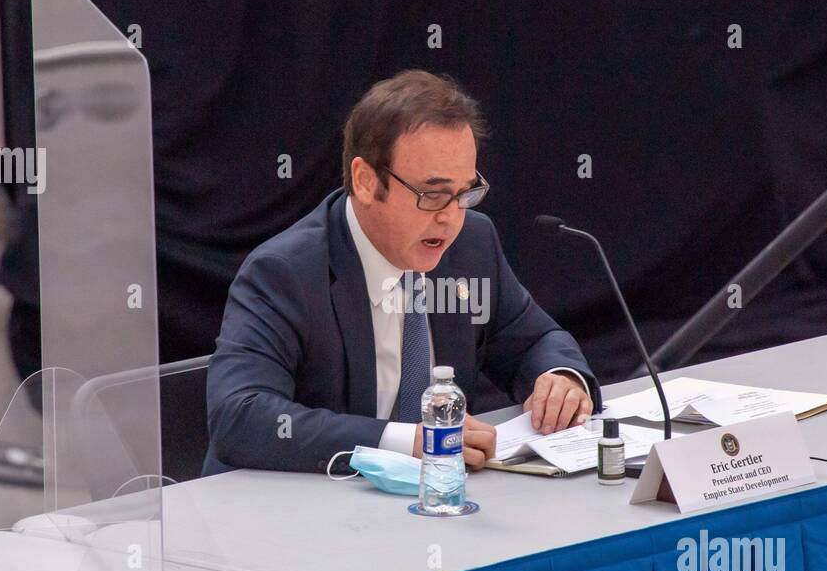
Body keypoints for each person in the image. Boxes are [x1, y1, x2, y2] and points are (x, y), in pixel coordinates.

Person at [203, 69, 600, 475]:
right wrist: (405, 442)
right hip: (293, 514)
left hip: (432, 510)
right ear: (365, 181)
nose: (451, 218)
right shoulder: (285, 273)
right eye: (432, 194)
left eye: (465, 192)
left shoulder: (472, 246)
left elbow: (532, 339)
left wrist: (560, 378)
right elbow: (240, 416)